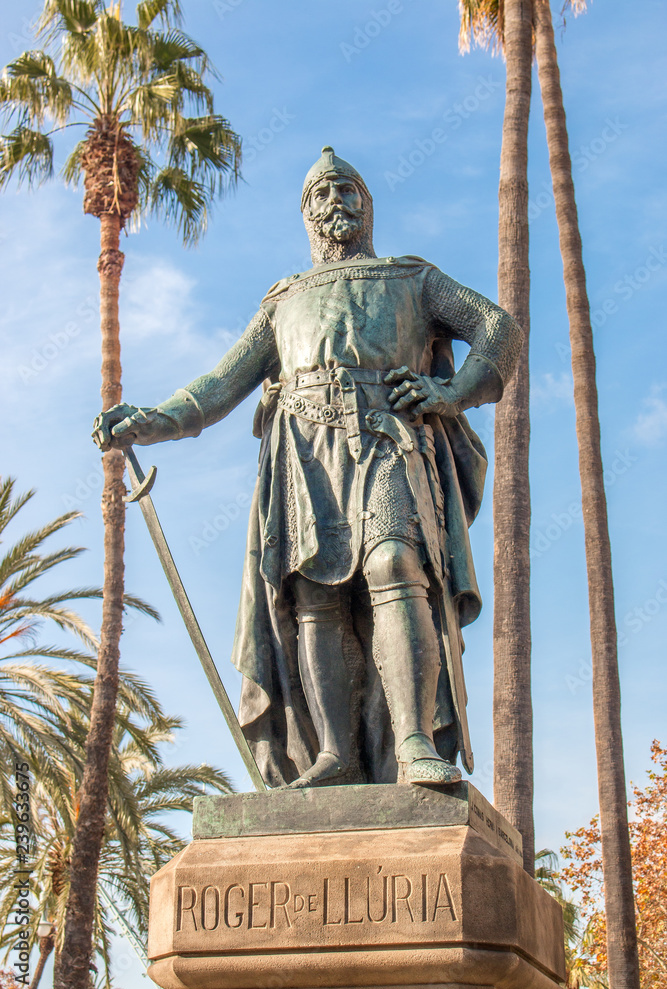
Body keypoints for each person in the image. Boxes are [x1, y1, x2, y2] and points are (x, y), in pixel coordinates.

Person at [93, 146, 522, 789]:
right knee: (315, 595)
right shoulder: (284, 300)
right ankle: (335, 755)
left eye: (347, 190)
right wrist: (156, 419)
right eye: (320, 195)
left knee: (396, 566)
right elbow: (221, 382)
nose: (335, 203)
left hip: (384, 437)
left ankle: (412, 743)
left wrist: (453, 392)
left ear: (366, 204)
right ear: (306, 216)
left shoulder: (411, 278)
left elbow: (496, 325)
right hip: (302, 451)